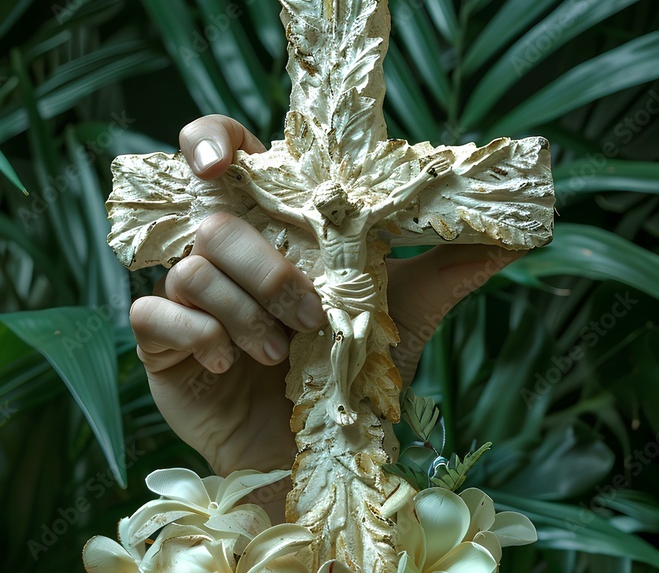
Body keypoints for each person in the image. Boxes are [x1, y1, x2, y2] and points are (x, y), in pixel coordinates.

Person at [129, 114, 518, 520]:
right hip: (330, 299)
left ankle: (344, 395)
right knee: (341, 342)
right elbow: (277, 204)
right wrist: (247, 182)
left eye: (337, 203)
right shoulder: (315, 221)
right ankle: (338, 399)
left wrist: (427, 177)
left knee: (359, 341)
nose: (332, 209)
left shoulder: (360, 219)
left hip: (360, 295)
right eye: (327, 204)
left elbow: (397, 195)